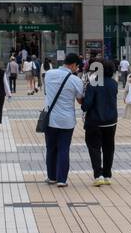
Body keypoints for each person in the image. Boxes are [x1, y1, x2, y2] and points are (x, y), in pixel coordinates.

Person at [42, 53, 85, 188]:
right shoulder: (75, 80)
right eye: (77, 67)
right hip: (67, 121)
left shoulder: (49, 74)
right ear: (73, 65)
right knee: (63, 149)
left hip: (50, 119)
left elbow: (46, 92)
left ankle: (51, 176)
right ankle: (62, 179)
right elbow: (80, 100)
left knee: (50, 148)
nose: (76, 69)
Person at [82, 57, 119, 186]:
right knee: (109, 148)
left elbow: (86, 105)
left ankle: (98, 175)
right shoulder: (114, 84)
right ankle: (107, 175)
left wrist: (82, 103)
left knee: (94, 148)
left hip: (94, 122)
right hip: (111, 121)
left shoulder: (93, 84)